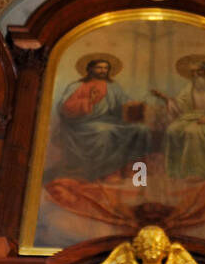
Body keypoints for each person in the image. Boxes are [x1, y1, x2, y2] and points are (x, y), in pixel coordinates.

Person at [53, 55, 151, 183]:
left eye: (105, 68)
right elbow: (64, 108)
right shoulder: (77, 85)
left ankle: (133, 170)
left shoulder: (113, 86)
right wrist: (89, 101)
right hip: (81, 123)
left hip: (109, 120)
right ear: (90, 69)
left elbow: (123, 103)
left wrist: (135, 106)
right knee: (104, 131)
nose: (103, 70)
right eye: (99, 67)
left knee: (141, 129)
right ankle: (104, 173)